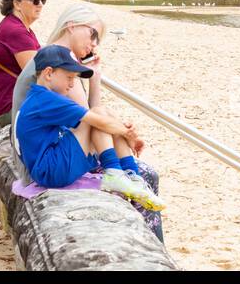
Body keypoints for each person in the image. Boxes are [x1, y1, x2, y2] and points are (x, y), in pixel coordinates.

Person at [14, 46, 162, 209]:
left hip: (49, 168)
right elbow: (96, 120)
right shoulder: (46, 99)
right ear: (48, 73)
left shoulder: (39, 96)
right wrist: (129, 135)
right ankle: (115, 172)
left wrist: (120, 129)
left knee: (103, 113)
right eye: (69, 77)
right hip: (51, 172)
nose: (72, 84)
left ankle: (133, 177)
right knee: (97, 115)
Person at [0, 0, 47, 127]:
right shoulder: (16, 31)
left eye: (42, 0)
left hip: (6, 103)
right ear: (17, 3)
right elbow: (39, 74)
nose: (41, 5)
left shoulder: (17, 26)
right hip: (10, 107)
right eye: (35, 1)